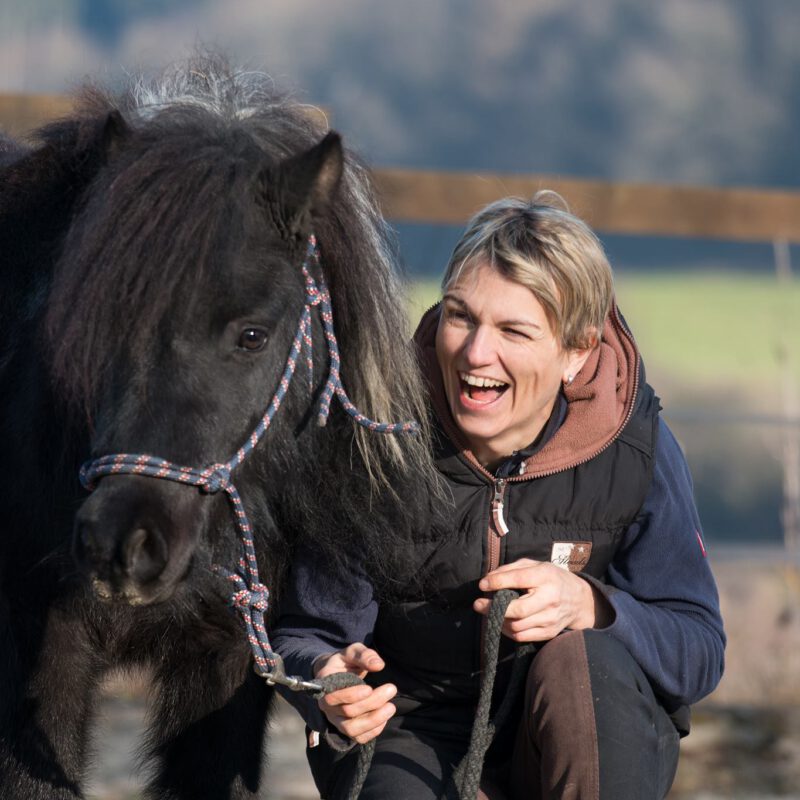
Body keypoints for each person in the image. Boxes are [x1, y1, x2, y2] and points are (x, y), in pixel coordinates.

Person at [272, 192, 725, 800]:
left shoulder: (634, 446)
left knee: (580, 663)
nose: (476, 353)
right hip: (407, 734)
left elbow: (697, 650)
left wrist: (592, 607)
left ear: (577, 351)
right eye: (460, 316)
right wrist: (327, 681)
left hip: (586, 735)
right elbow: (305, 633)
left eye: (514, 330)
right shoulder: (375, 440)